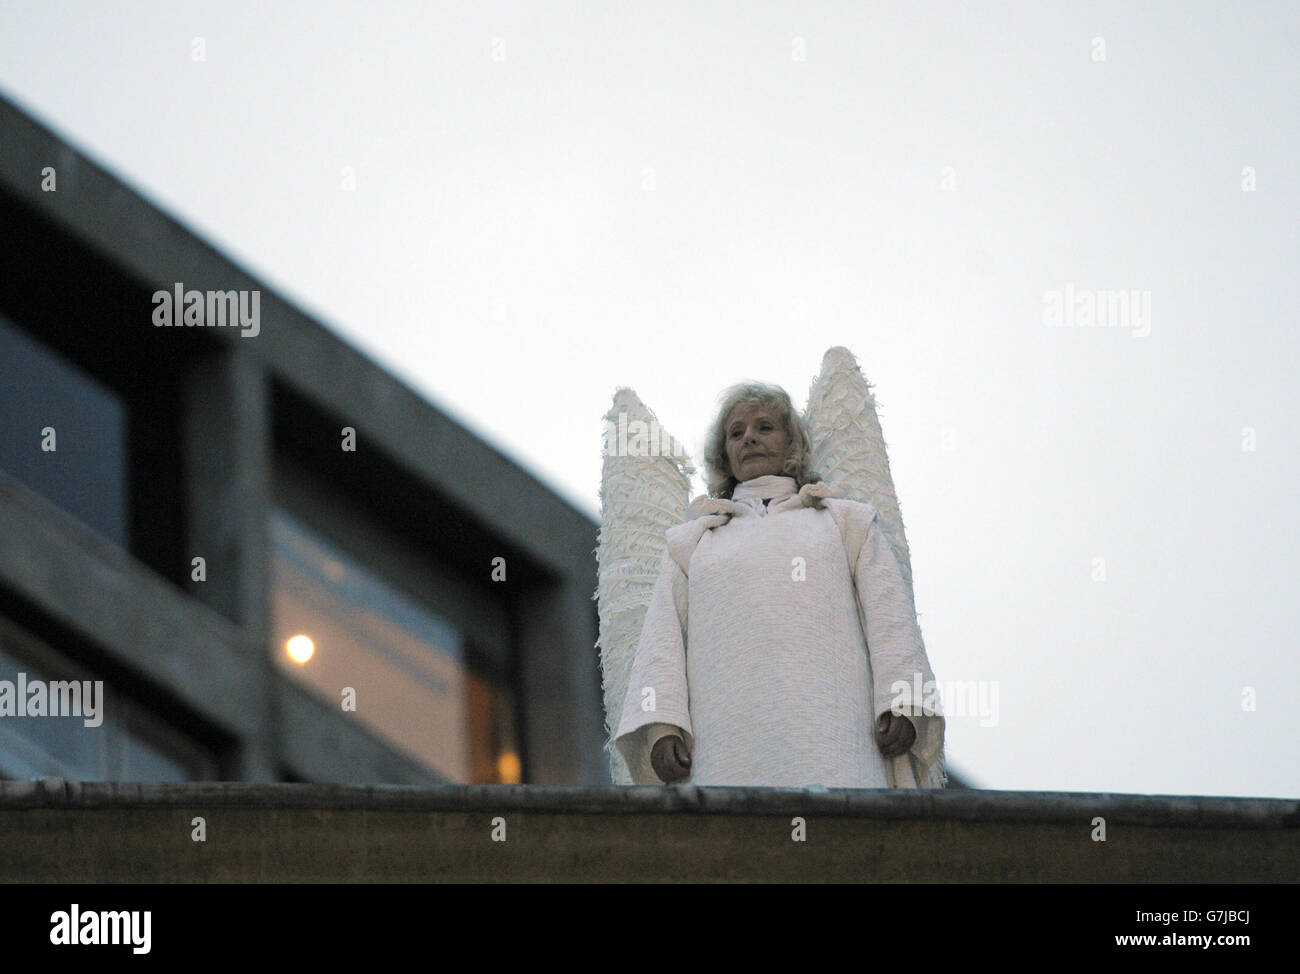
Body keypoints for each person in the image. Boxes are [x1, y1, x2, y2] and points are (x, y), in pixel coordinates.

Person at [613, 382, 944, 788]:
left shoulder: (847, 522)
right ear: (725, 454)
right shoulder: (691, 542)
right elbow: (661, 642)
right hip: (724, 756)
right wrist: (661, 728)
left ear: (792, 446)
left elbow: (891, 619)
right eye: (736, 433)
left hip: (839, 750)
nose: (749, 437)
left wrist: (904, 702)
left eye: (764, 427)